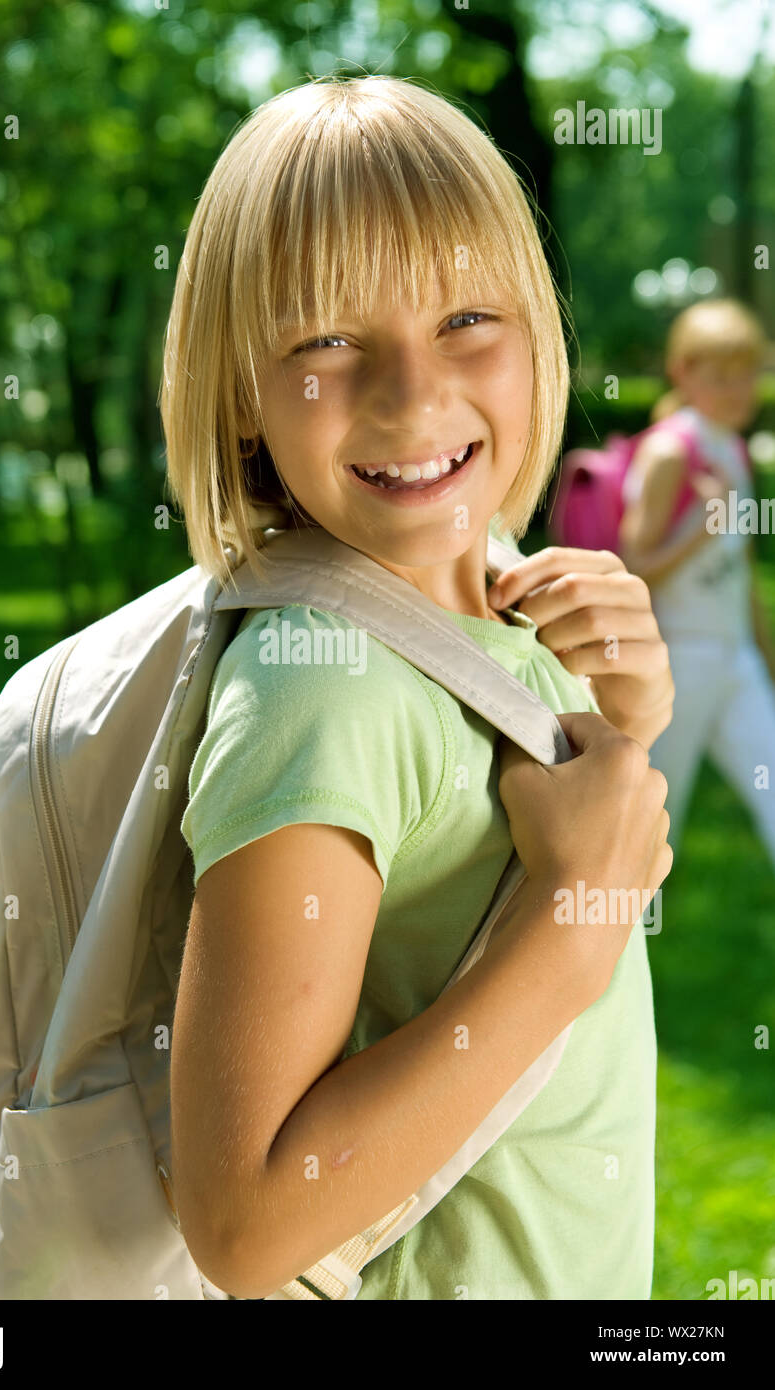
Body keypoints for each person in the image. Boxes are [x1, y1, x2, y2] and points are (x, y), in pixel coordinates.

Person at [160, 75, 673, 1301]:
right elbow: (242, 1227)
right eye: (326, 340)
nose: (411, 390)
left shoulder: (496, 604)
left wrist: (617, 727)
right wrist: (578, 914)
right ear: (242, 392)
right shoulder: (314, 688)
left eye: (464, 319)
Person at [619, 299, 775, 860]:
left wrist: (763, 654)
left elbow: (743, 568)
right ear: (683, 371)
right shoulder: (669, 451)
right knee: (655, 822)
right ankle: (620, 940)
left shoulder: (731, 447)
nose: (740, 390)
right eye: (722, 376)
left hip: (735, 659)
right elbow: (633, 567)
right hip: (679, 663)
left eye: (750, 374)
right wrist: (700, 533)